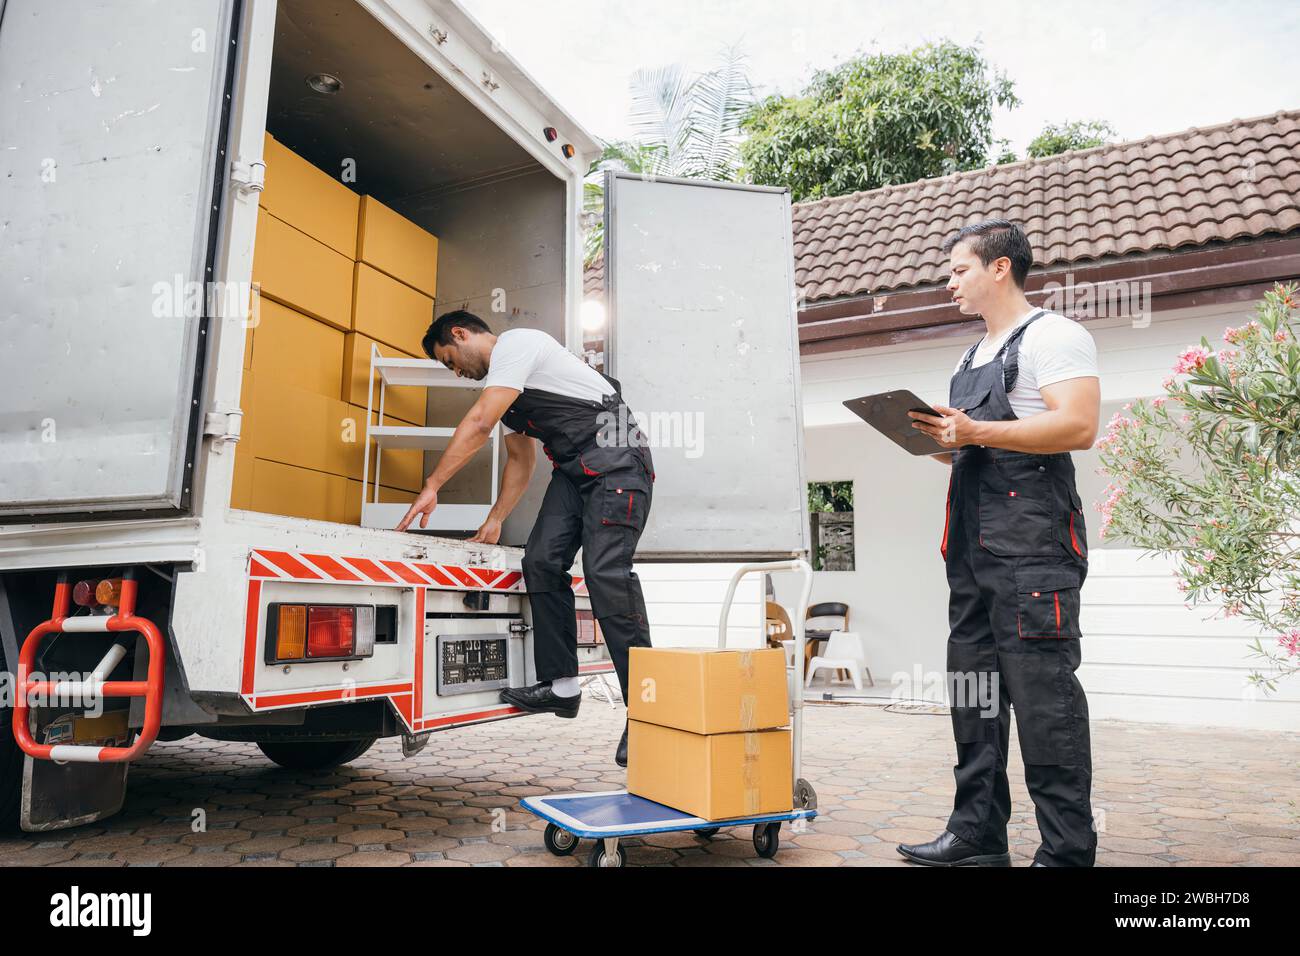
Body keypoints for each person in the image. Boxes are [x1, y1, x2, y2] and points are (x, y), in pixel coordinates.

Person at [898, 219, 1100, 867]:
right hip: (972, 556)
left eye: (958, 269)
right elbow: (976, 445)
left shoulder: (1054, 336)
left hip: (1035, 553)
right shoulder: (970, 356)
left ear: (1000, 268)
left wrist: (976, 433)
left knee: (1045, 704)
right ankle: (977, 835)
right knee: (973, 699)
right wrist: (943, 443)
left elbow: (1078, 425)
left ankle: (1066, 852)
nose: (949, 281)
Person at [396, 311, 654, 767]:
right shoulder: (507, 390)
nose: (456, 372)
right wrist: (496, 517)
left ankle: (651, 713)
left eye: (450, 360)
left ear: (460, 334)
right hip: (575, 475)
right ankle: (561, 686)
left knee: (604, 573)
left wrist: (433, 484)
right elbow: (520, 462)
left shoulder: (519, 344)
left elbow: (478, 425)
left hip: (617, 466)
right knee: (539, 561)